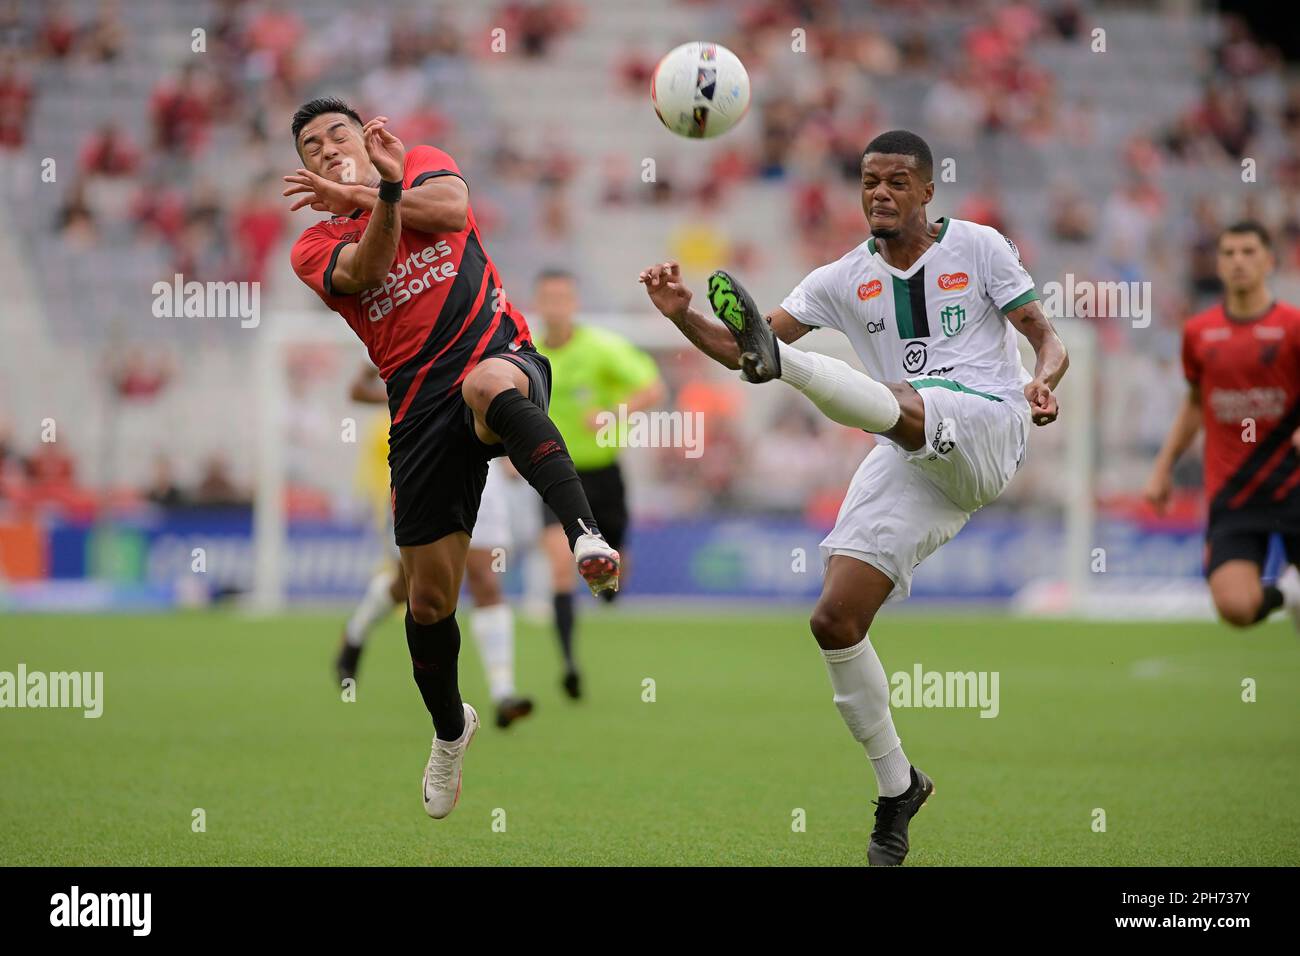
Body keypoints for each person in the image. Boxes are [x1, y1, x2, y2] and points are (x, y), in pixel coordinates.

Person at [640, 130, 1068, 865]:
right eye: (870, 180)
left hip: (990, 424)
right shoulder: (841, 278)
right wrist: (683, 313)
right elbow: (748, 347)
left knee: (895, 398)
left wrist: (1043, 380)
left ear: (928, 191)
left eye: (898, 181)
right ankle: (898, 786)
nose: (880, 193)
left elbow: (1046, 339)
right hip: (908, 448)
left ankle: (803, 372)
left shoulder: (980, 248)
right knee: (834, 619)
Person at [285, 97, 618, 820]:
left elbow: (452, 210)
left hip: (498, 353)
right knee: (430, 600)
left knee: (490, 382)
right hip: (415, 410)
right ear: (304, 165)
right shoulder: (310, 247)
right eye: (311, 145)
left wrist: (383, 179)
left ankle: (585, 532)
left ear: (361, 132)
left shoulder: (419, 160)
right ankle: (448, 731)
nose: (327, 146)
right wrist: (373, 194)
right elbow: (371, 268)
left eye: (337, 132)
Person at [335, 364, 535, 729]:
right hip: (422, 474)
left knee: (486, 580)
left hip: (481, 479)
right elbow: (358, 392)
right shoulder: (421, 353)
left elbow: (512, 402)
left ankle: (503, 692)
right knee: (407, 588)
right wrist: (375, 362)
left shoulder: (490, 339)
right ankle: (356, 634)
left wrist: (515, 454)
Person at [1144, 221, 1300, 629]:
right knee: (1235, 608)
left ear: (1269, 260)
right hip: (1234, 491)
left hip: (1294, 484)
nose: (1238, 261)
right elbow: (1196, 403)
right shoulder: (1199, 333)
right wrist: (1163, 468)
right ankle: (1289, 593)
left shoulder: (1292, 327)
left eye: (1249, 252)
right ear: (1218, 263)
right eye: (1229, 253)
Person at [532, 269, 665, 698]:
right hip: (554, 473)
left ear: (573, 303)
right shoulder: (527, 352)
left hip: (604, 474)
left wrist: (613, 413)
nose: (555, 306)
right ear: (539, 303)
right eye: (547, 298)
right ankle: (569, 663)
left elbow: (652, 388)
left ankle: (608, 592)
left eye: (562, 297)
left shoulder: (601, 348)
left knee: (614, 573)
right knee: (560, 566)